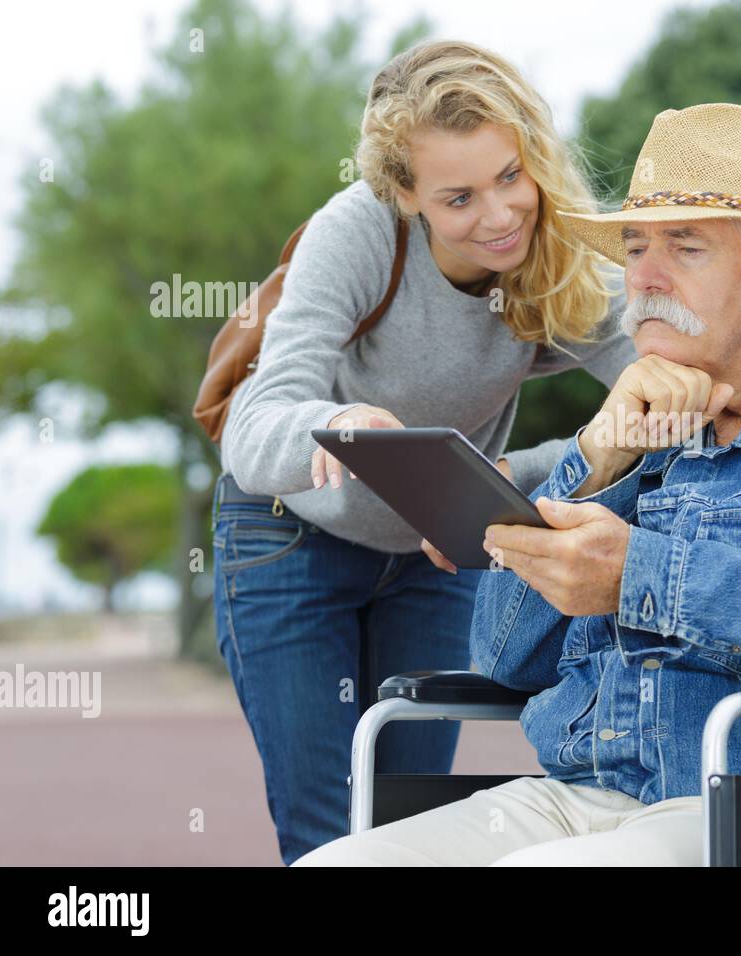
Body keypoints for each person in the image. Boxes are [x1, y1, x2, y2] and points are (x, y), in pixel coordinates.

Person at [292, 103, 741, 867]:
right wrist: (601, 457)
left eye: (686, 246)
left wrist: (642, 573)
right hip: (578, 795)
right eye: (635, 248)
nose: (646, 277)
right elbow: (503, 657)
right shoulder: (640, 429)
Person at [212, 39, 637, 865]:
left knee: (406, 830)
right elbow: (251, 424)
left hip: (428, 554)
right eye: (459, 197)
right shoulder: (358, 235)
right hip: (288, 534)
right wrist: (332, 432)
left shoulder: (556, 260)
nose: (501, 214)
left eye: (511, 176)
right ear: (405, 196)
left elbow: (650, 414)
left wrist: (513, 475)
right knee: (327, 833)